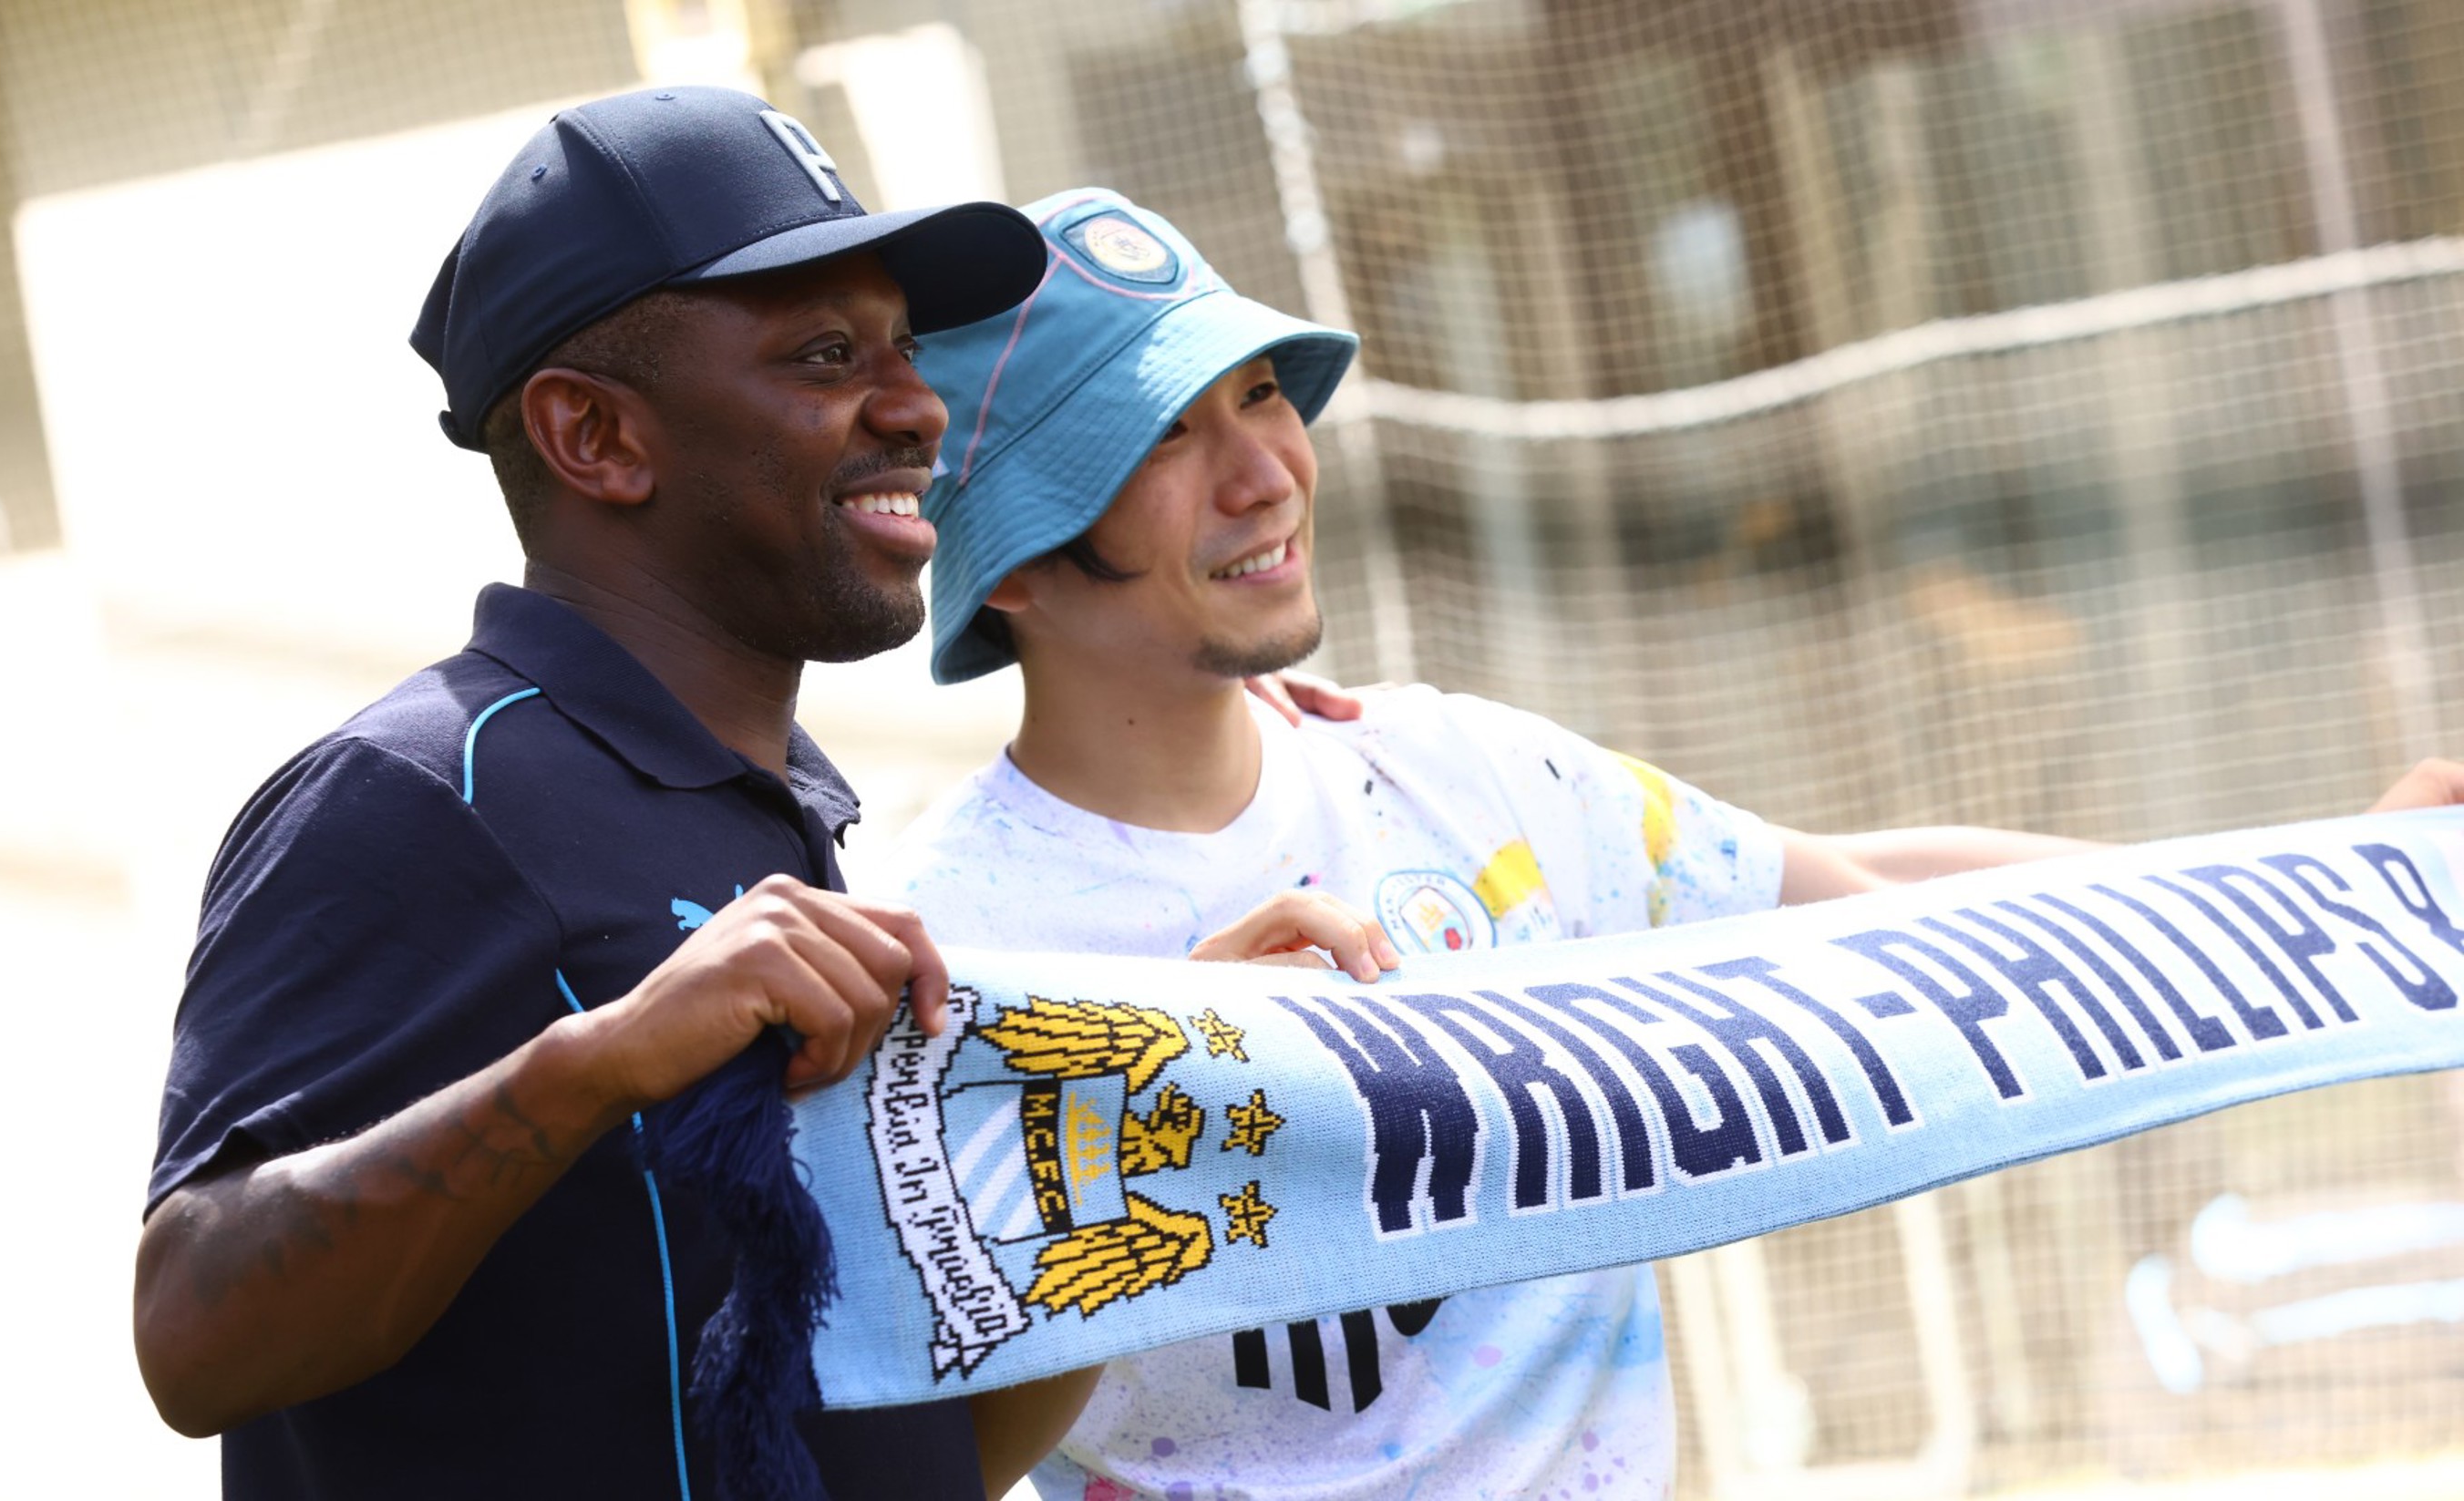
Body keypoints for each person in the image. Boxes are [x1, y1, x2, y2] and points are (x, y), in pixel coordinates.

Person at [876, 189, 2464, 1501]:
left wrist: (2319, 896)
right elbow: (923, 1464)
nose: (1266, 470)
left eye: (1264, 392)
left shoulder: (1462, 769)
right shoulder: (955, 953)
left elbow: (1852, 902)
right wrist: (1141, 1110)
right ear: (1009, 563)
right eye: (1159, 437)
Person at [130, 86, 1051, 1499]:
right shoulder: (417, 791)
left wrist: (1152, 1067)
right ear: (597, 439)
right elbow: (192, 1328)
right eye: (823, 354)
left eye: (905, 350)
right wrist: (597, 1064)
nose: (916, 404)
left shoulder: (784, 812)